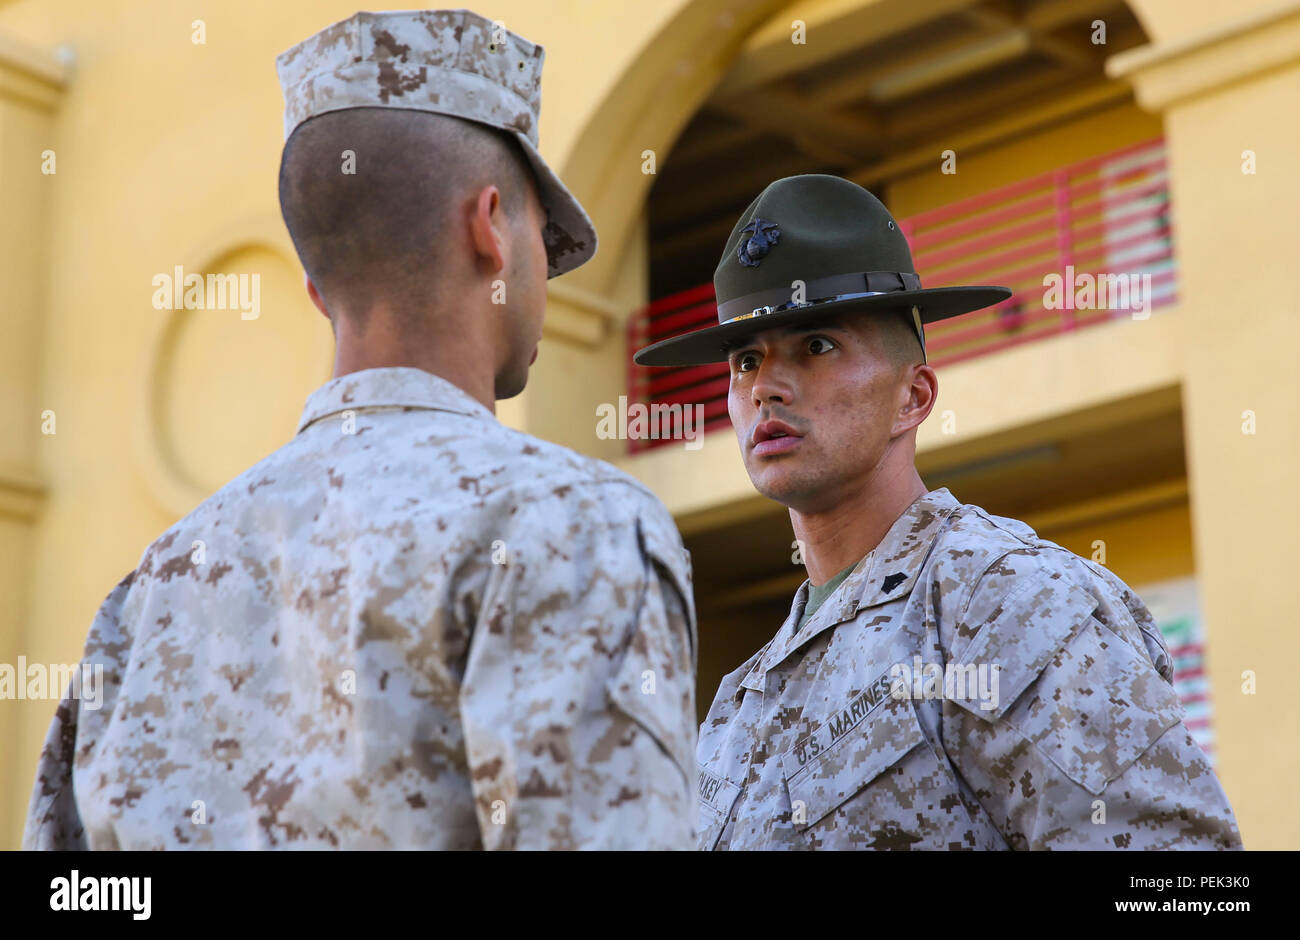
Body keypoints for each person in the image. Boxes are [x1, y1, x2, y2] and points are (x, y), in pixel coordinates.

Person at [24, 9, 697, 851]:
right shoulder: (572, 525)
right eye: (540, 234)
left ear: (314, 288)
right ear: (490, 227)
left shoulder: (147, 595)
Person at [635, 173, 1242, 850]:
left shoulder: (1009, 603)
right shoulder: (737, 705)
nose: (766, 388)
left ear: (913, 397)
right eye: (746, 359)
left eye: (817, 346)